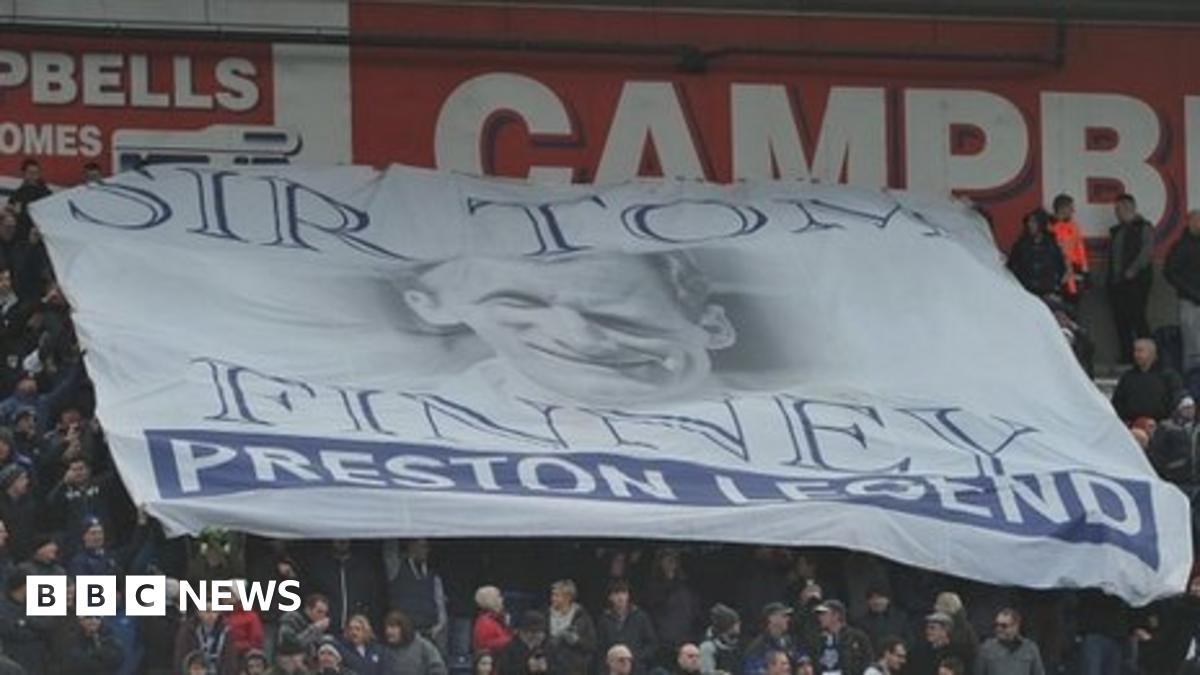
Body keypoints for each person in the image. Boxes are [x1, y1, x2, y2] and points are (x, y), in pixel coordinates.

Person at [400, 251, 736, 406]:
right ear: (432, 308)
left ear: (713, 327)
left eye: (615, 316)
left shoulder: (758, 424)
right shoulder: (418, 416)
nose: (581, 338)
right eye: (518, 306)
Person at [1107, 193, 1155, 364]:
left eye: (1118, 209)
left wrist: (1133, 270)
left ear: (1129, 208)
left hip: (1137, 281)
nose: (1116, 213)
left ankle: (1149, 355)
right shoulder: (1116, 231)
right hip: (1117, 282)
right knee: (1121, 320)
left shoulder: (1144, 227)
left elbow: (1146, 252)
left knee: (1138, 317)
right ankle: (1127, 356)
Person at [306, 540, 382, 634]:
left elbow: (373, 600)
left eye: (345, 538)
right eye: (338, 538)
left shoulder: (364, 567)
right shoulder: (320, 568)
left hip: (357, 631)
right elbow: (311, 598)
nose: (342, 540)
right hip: (327, 630)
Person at [386, 539, 446, 651]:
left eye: (427, 547)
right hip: (404, 634)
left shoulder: (433, 575)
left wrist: (438, 627)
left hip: (428, 634)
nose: (426, 550)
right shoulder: (397, 569)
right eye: (422, 546)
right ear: (411, 547)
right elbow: (389, 548)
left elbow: (440, 603)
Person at [644, 549, 702, 664]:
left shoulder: (686, 587)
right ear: (660, 562)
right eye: (667, 559)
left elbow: (695, 614)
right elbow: (652, 608)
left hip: (685, 641)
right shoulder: (653, 586)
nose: (671, 563)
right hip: (663, 643)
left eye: (673, 560)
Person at [1112, 338, 1184, 422]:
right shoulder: (1127, 377)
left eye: (1140, 351)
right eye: (1135, 351)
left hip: (1161, 424)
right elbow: (1117, 402)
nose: (1136, 355)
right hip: (1133, 424)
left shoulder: (1168, 375)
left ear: (1151, 353)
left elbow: (1176, 399)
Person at [596, 580, 658, 675]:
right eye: (616, 593)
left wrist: (635, 656)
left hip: (637, 669)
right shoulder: (604, 620)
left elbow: (652, 644)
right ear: (610, 597)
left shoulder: (640, 617)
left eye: (624, 593)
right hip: (612, 670)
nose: (620, 597)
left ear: (628, 595)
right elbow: (600, 649)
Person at [1007, 208, 1067, 299]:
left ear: (1041, 224)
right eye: (1029, 221)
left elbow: (1060, 266)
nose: (1030, 224)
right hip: (1025, 292)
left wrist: (1055, 284)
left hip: (1047, 292)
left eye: (1033, 222)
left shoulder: (1051, 244)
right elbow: (1012, 265)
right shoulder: (1021, 244)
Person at [1167, 210, 1200, 373]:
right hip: (1189, 300)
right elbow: (1170, 272)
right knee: (1192, 344)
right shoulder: (1181, 245)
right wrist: (1190, 291)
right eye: (1197, 221)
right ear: (1189, 222)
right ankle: (1193, 380)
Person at [545, 579, 596, 675]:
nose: (553, 598)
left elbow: (592, 645)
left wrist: (577, 641)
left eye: (556, 595)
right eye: (552, 595)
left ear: (568, 597)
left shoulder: (582, 618)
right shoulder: (546, 615)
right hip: (551, 669)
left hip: (574, 670)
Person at [810, 599, 873, 675]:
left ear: (836, 615)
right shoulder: (817, 639)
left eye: (824, 614)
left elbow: (867, 661)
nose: (820, 617)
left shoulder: (856, 637)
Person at [974, 608, 1044, 675]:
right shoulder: (986, 649)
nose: (999, 629)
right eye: (997, 625)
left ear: (1015, 626)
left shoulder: (1030, 649)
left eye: (1004, 626)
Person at [174, 606, 240, 675]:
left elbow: (231, 661)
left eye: (215, 611)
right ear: (198, 612)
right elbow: (181, 658)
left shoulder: (226, 631)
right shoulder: (188, 630)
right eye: (207, 611)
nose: (211, 615)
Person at [743, 603, 803, 675]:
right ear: (771, 618)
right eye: (784, 616)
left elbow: (800, 661)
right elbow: (752, 671)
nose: (788, 619)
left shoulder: (789, 642)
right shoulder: (759, 646)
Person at [380, 610, 446, 675]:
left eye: (393, 627)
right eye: (386, 628)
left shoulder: (423, 646)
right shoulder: (384, 651)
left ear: (403, 628)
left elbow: (438, 669)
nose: (388, 631)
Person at [1050, 193, 1090, 300]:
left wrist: (1085, 270)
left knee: (1074, 300)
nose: (1073, 211)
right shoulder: (1049, 227)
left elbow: (1080, 249)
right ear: (1062, 208)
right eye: (1070, 208)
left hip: (1074, 270)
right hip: (1057, 271)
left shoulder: (1074, 226)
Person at [277, 594, 331, 660]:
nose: (322, 616)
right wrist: (314, 629)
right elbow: (288, 644)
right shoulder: (291, 619)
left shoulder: (317, 626)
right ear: (308, 610)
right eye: (319, 612)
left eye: (325, 613)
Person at [855, 587, 909, 653]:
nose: (876, 602)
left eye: (880, 598)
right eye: (872, 598)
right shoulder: (861, 623)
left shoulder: (900, 618)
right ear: (868, 602)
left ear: (888, 600)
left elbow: (909, 640)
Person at [498, 611, 548, 675]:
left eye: (540, 632)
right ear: (522, 632)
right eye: (533, 632)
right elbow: (505, 671)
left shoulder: (547, 648)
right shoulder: (509, 650)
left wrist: (545, 668)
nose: (538, 635)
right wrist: (526, 667)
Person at [698, 603, 740, 675]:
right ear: (728, 625)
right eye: (736, 623)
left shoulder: (734, 645)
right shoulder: (708, 647)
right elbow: (706, 672)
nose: (739, 625)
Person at [472, 585, 511, 655]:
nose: (502, 599)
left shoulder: (497, 620)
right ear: (490, 600)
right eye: (499, 596)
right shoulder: (485, 622)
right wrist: (509, 641)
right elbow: (484, 645)